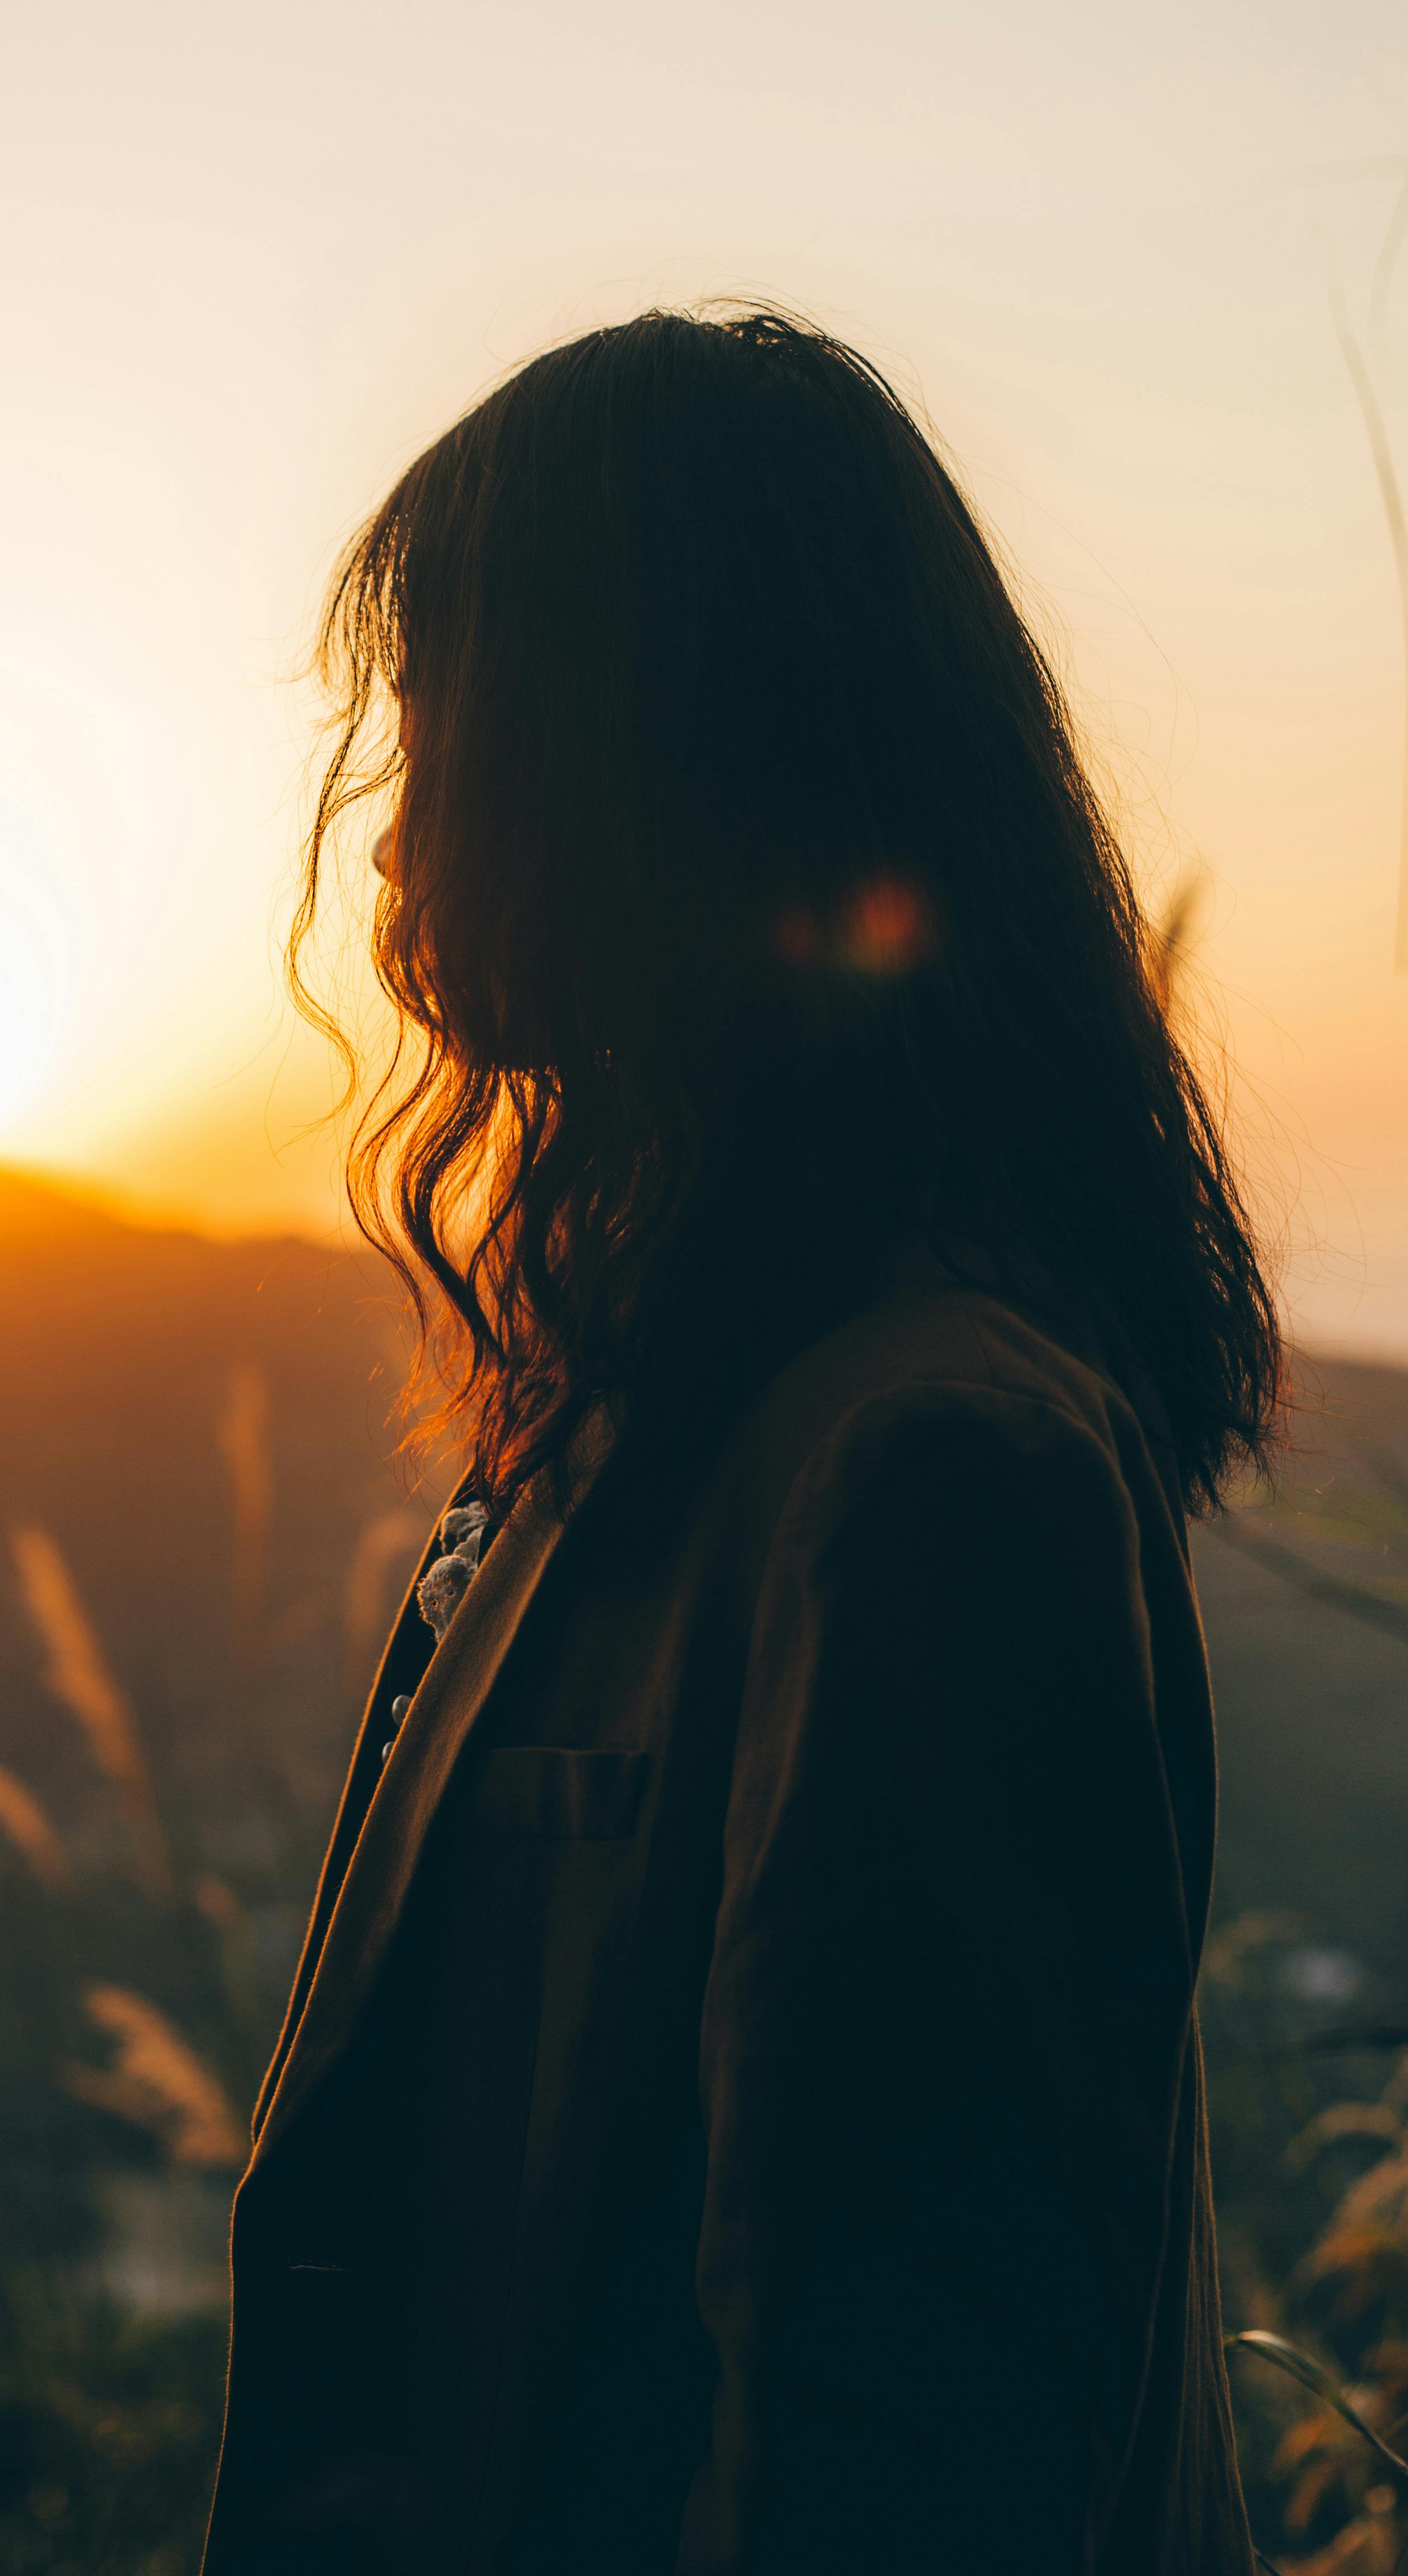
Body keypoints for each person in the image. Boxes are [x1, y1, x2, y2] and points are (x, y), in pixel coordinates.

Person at [202, 306, 1276, 2574]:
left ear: (628, 762)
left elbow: (912, 2457)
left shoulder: (928, 1470)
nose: (387, 825)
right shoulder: (633, 1412)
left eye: (435, 718)